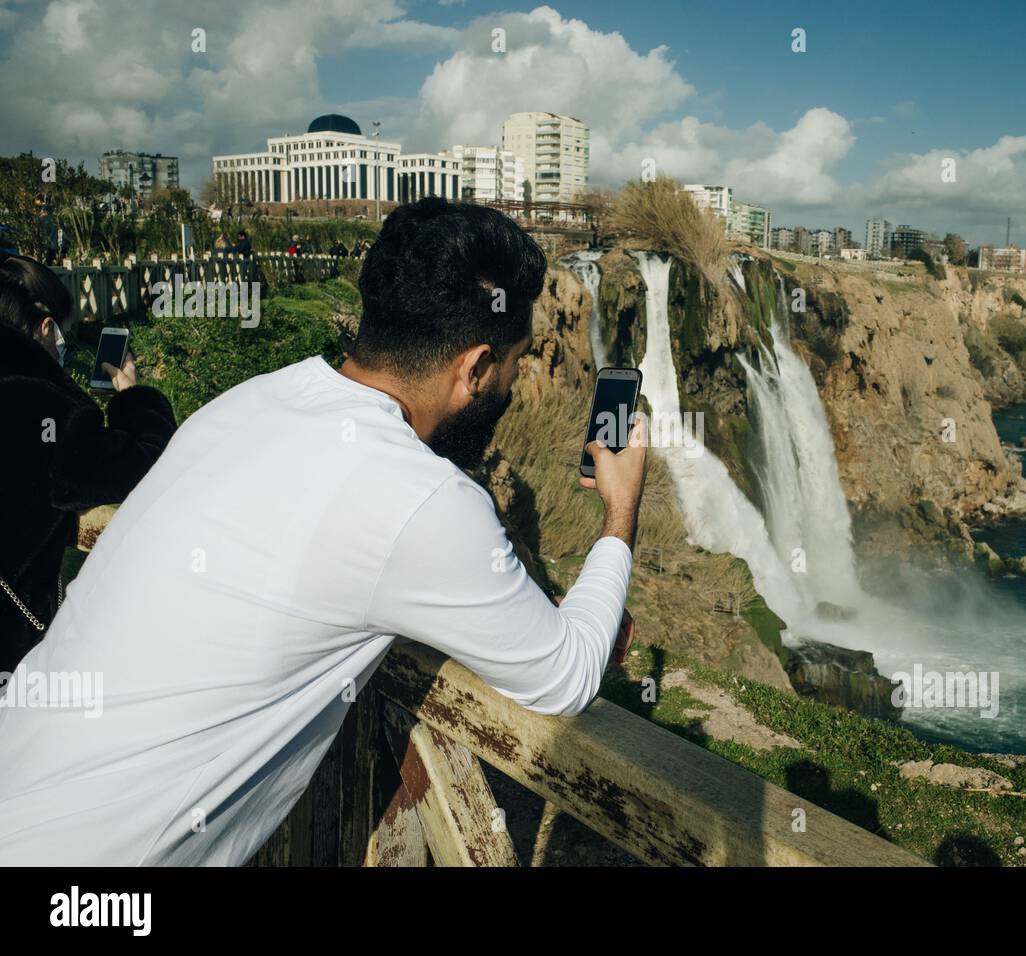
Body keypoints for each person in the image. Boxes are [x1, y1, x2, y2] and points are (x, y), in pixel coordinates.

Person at [0, 198, 647, 866]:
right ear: (476, 367)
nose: (511, 385)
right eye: (513, 365)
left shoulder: (247, 402)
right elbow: (566, 677)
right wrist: (619, 513)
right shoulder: (422, 497)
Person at [0, 254, 177, 674]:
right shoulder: (39, 405)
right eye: (69, 336)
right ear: (46, 329)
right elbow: (144, 464)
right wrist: (132, 396)